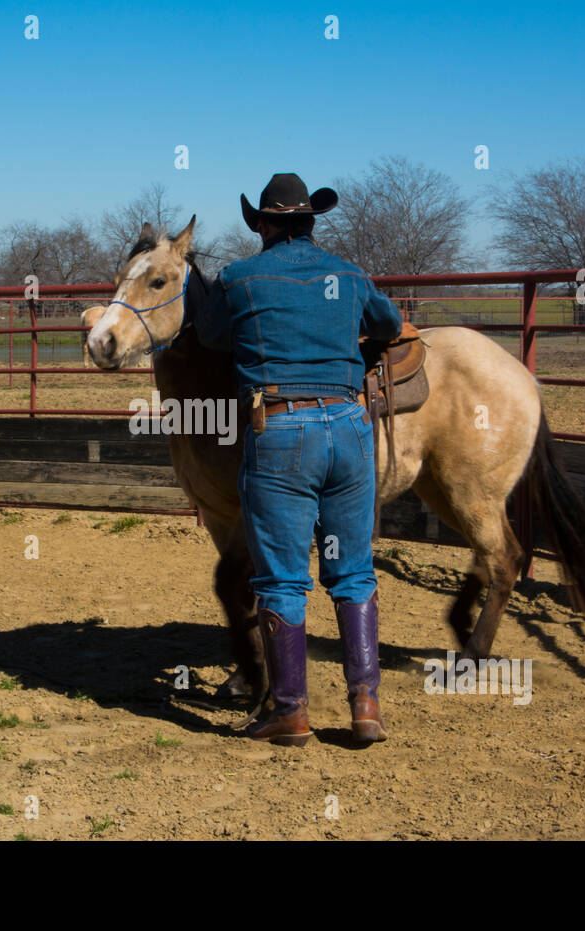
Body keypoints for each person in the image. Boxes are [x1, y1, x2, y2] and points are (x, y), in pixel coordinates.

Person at [195, 173, 403, 746]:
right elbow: (387, 324)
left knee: (284, 578)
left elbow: (211, 337)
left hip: (282, 431)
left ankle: (290, 711)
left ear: (262, 225)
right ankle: (365, 709)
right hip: (351, 428)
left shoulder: (238, 277)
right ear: (311, 222)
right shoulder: (350, 274)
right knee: (353, 572)